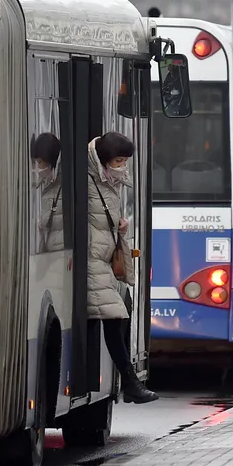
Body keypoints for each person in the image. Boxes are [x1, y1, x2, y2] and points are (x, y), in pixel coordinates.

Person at [87, 131, 157, 404]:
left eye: (125, 161)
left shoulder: (108, 181)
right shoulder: (88, 180)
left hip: (101, 259)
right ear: (104, 160)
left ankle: (128, 382)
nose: (122, 166)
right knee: (116, 317)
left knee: (120, 316)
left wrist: (118, 224)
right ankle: (129, 382)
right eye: (118, 160)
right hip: (90, 260)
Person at [31, 133, 64, 253]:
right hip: (52, 254)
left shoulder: (60, 186)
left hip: (60, 255)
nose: (37, 168)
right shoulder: (46, 185)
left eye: (40, 162)